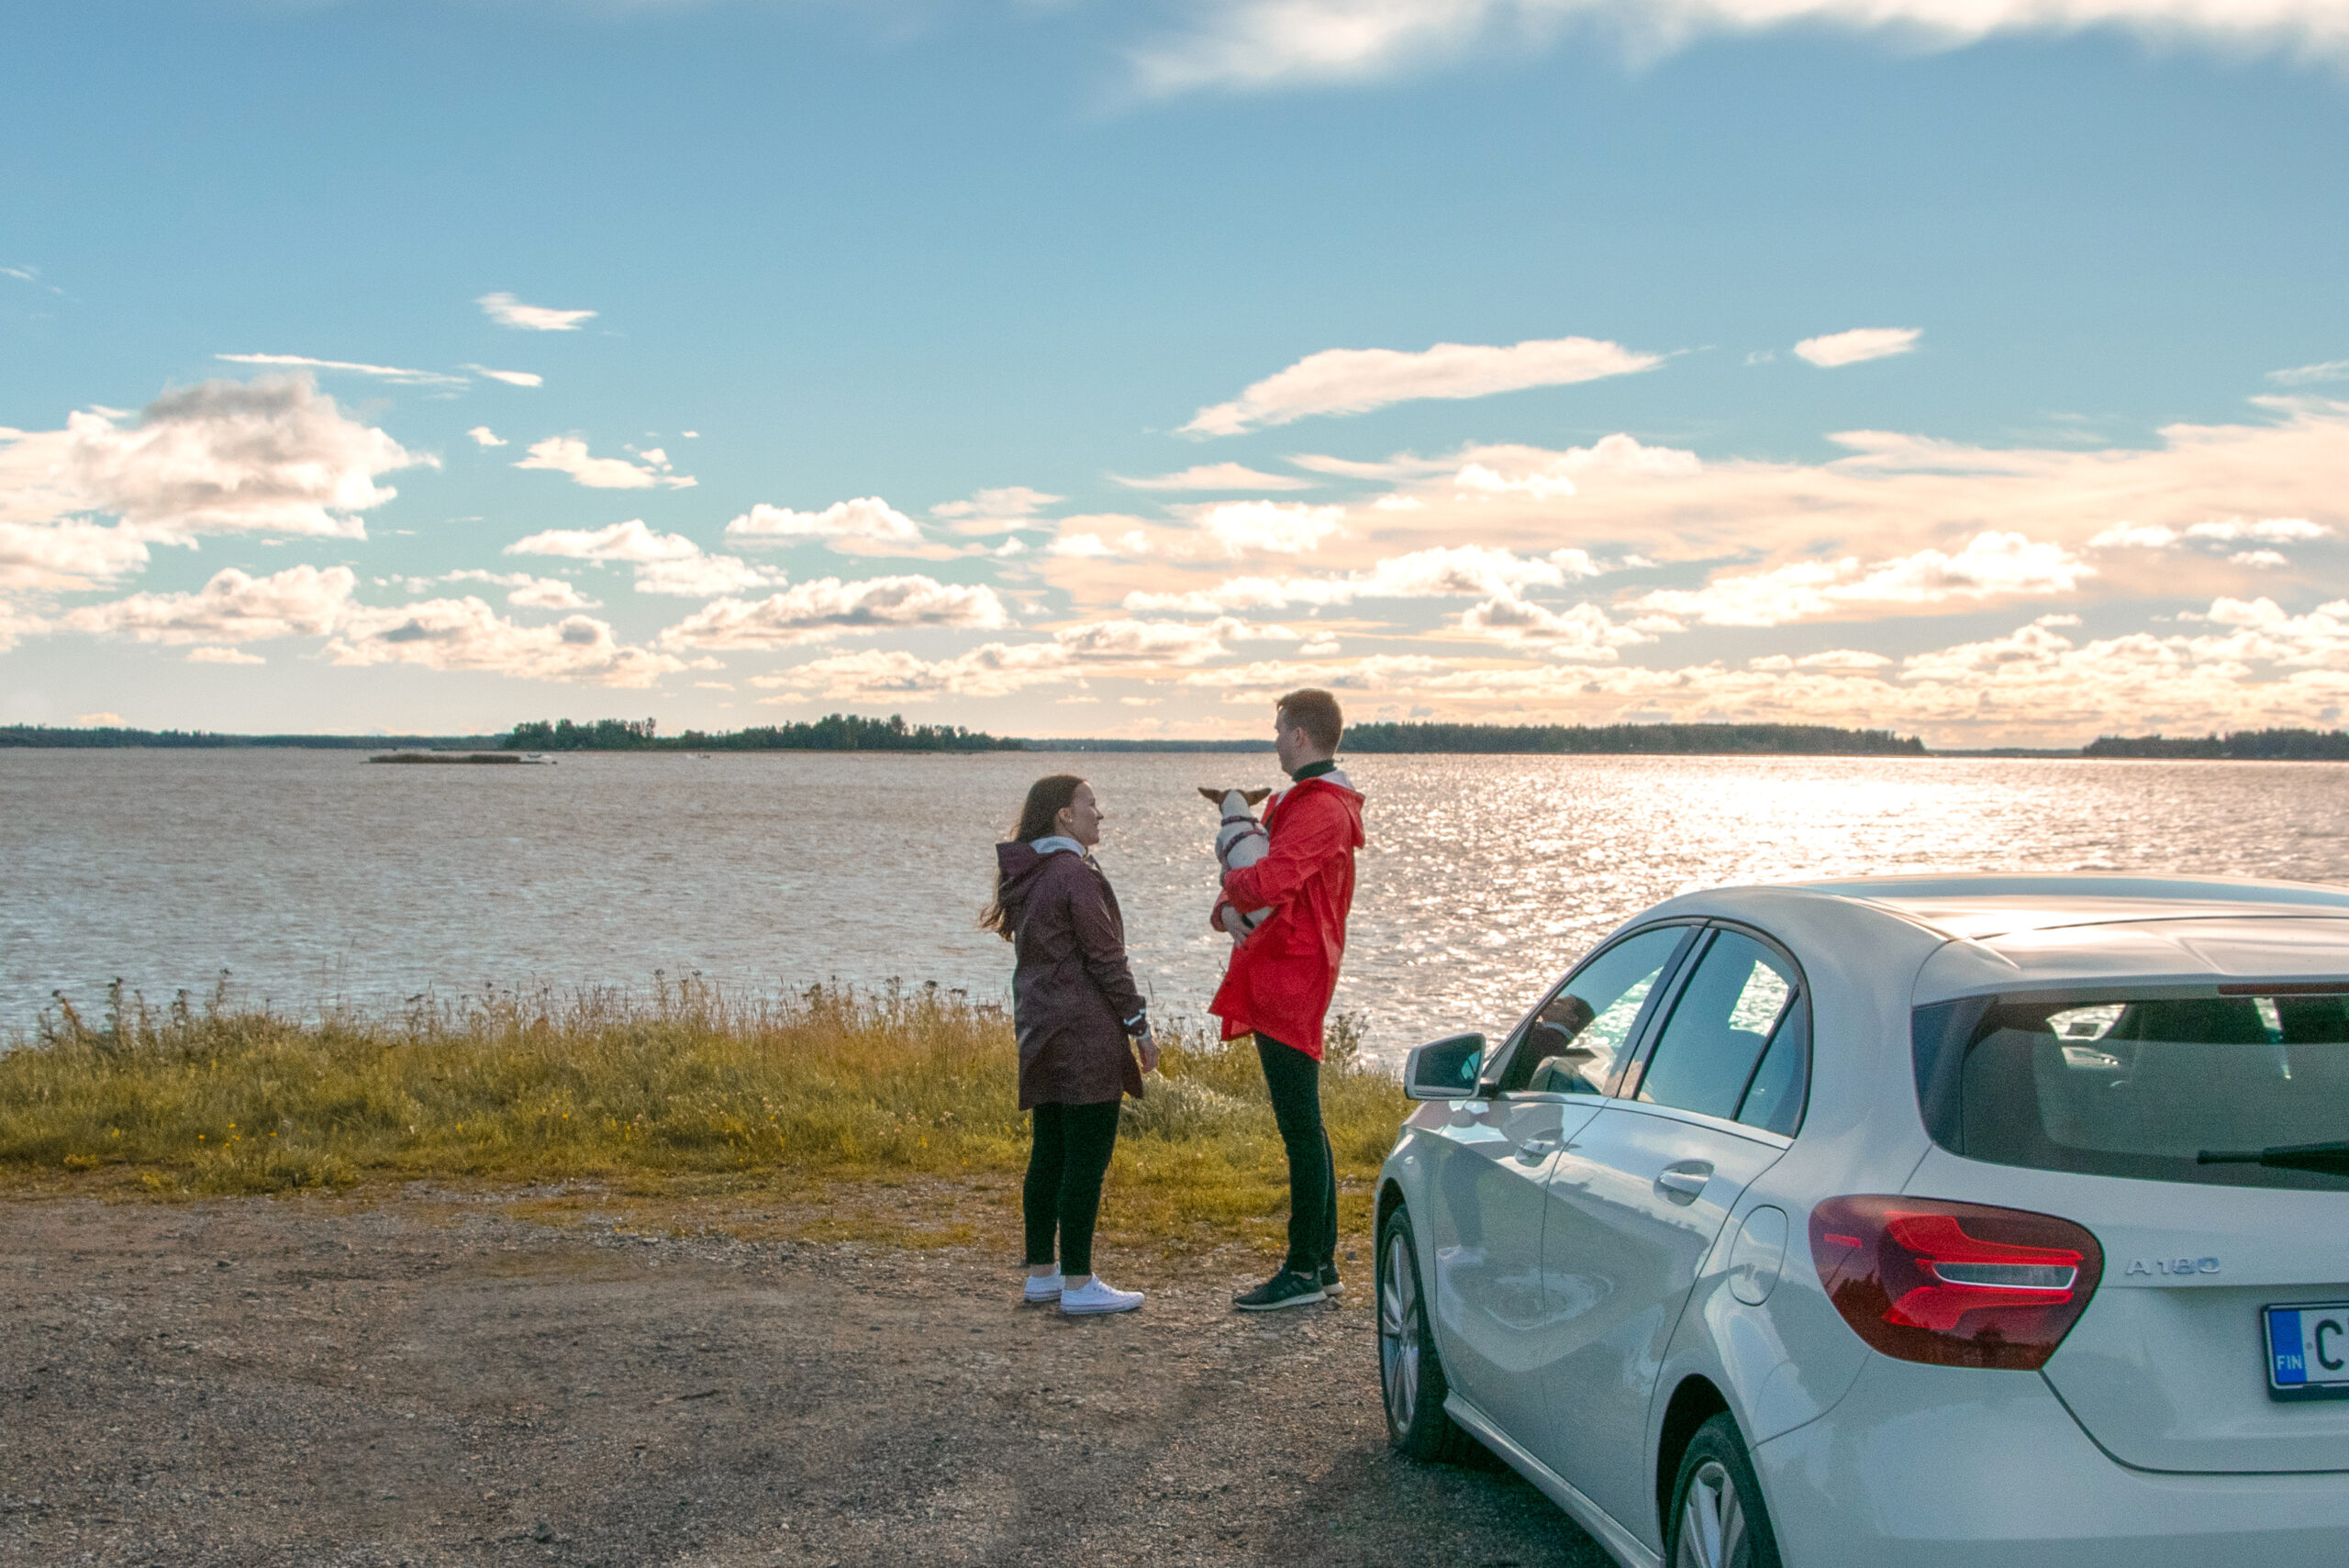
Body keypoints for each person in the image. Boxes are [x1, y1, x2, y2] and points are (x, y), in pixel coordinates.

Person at [1208, 689, 1365, 1312]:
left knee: (1299, 1125)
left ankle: (1303, 1266)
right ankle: (1321, 1262)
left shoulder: (1320, 807)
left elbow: (1272, 878)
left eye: (1278, 729)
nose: (1273, 739)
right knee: (1306, 1122)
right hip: (1289, 964)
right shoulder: (1303, 801)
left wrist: (1227, 885)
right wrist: (1227, 906)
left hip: (1291, 971)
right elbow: (1265, 883)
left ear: (1301, 735)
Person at [984, 773, 1160, 1316]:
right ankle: (1080, 1283)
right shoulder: (1072, 874)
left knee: (1049, 1153)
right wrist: (1139, 1025)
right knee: (1085, 1159)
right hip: (1085, 1035)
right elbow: (1106, 958)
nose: (1098, 814)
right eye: (1090, 803)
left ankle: (1043, 1274)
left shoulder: (1031, 873)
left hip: (1041, 1031)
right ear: (1064, 815)